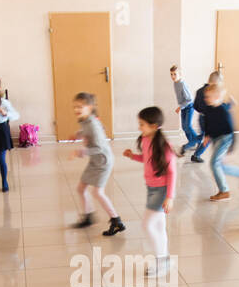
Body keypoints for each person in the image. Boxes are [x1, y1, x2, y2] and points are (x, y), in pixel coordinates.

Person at [122, 106, 178, 276]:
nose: (140, 128)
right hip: (151, 188)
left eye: (142, 124)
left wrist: (170, 197)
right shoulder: (146, 140)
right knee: (159, 226)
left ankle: (162, 261)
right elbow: (147, 160)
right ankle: (165, 259)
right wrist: (133, 156)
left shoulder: (164, 147)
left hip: (161, 190)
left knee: (147, 225)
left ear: (154, 126)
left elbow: (172, 172)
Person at [70, 92, 124, 235]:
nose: (76, 110)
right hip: (95, 161)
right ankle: (88, 217)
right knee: (81, 189)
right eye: (75, 106)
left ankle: (116, 220)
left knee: (97, 192)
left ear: (89, 107)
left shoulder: (93, 124)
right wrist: (78, 135)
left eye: (80, 107)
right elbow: (85, 130)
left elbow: (99, 147)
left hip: (103, 163)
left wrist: (81, 152)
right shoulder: (85, 120)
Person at [200, 82, 239, 201]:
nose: (205, 99)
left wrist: (230, 148)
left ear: (216, 97)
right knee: (219, 165)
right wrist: (207, 135)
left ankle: (224, 191)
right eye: (205, 97)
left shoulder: (223, 111)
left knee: (214, 163)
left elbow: (232, 130)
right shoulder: (208, 109)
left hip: (225, 138)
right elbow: (207, 124)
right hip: (215, 138)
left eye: (208, 97)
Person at [171, 65, 201, 157]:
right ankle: (192, 142)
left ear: (180, 75)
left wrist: (180, 107)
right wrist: (181, 106)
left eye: (175, 74)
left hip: (189, 106)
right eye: (171, 74)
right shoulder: (175, 83)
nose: (173, 76)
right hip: (183, 107)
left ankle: (198, 141)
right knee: (184, 127)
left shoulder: (182, 84)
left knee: (187, 126)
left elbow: (189, 99)